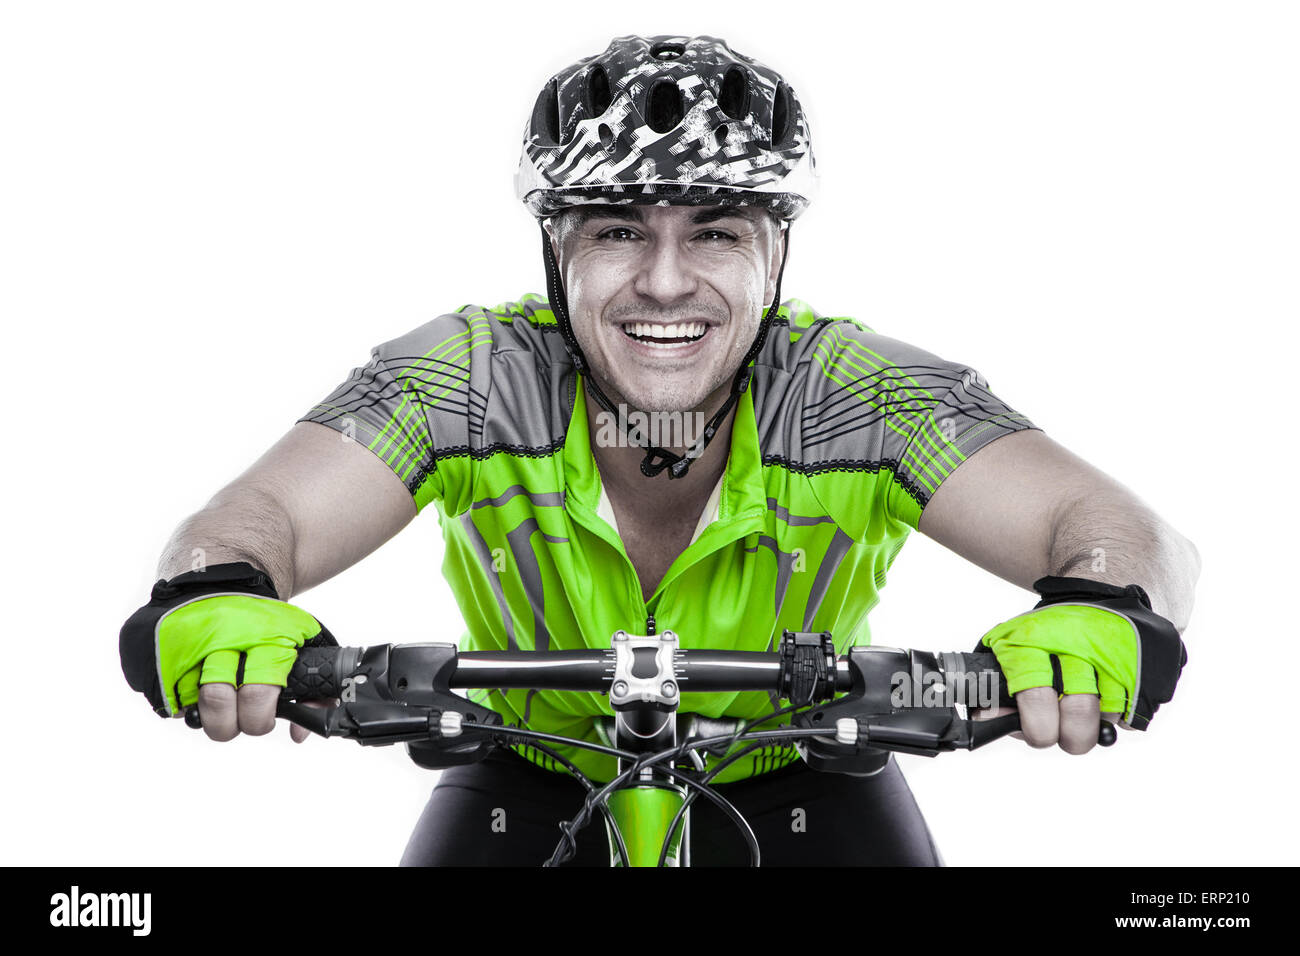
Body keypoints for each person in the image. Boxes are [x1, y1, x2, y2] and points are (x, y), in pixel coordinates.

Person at [119, 34, 1197, 866]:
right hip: (528, 766)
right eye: (619, 228)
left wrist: (1097, 606)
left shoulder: (848, 389)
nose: (667, 282)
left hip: (810, 771)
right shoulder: (471, 372)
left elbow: (1122, 532)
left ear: (776, 254)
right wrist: (220, 590)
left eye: (717, 230)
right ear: (556, 250)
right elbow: (257, 519)